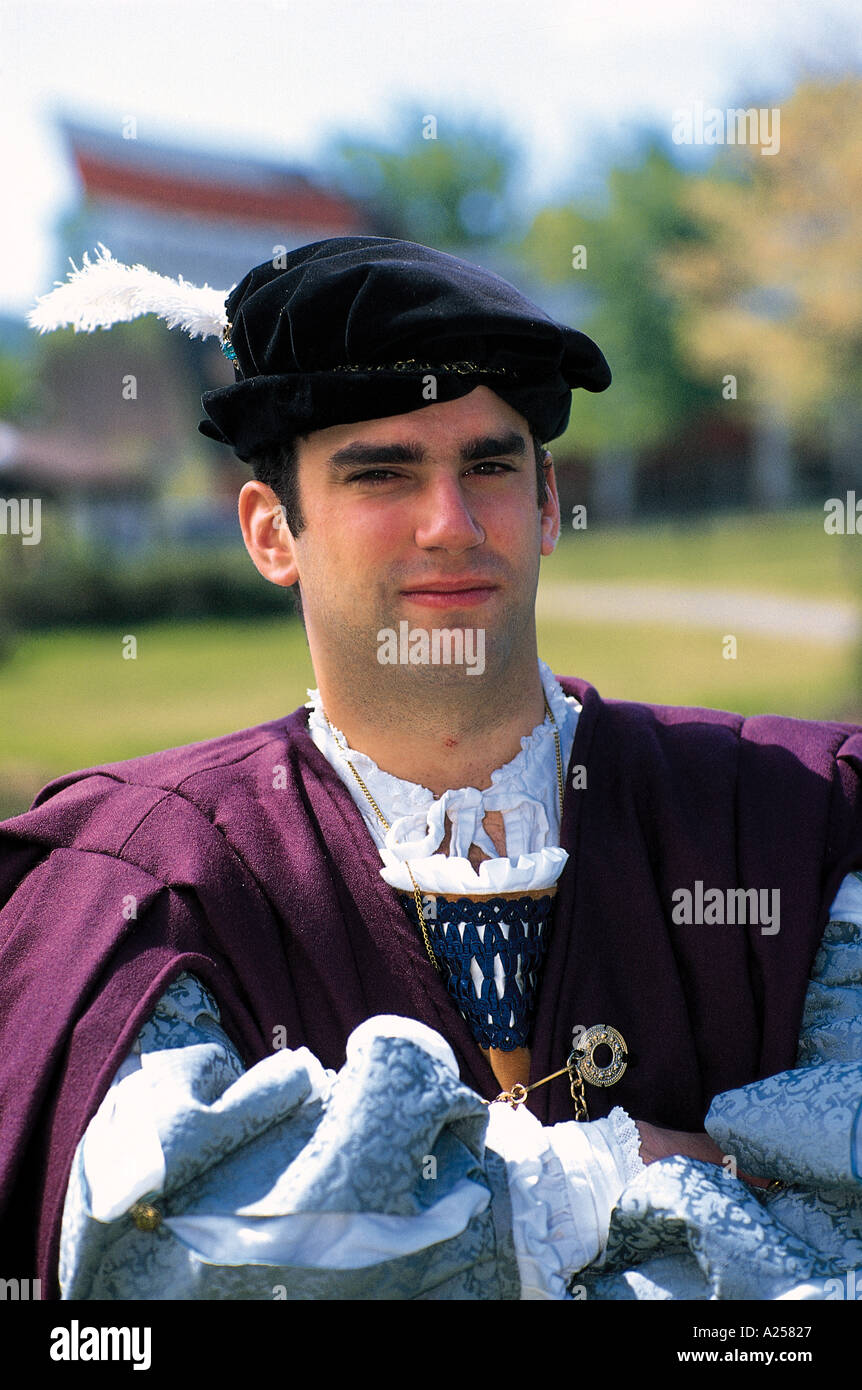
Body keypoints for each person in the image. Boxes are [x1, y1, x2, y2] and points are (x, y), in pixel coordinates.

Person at [2, 237, 861, 1301]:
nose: (452, 523)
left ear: (546, 508)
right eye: (383, 472)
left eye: (490, 467)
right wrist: (605, 1171)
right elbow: (168, 1245)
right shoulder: (149, 877)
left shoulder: (801, 817)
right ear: (273, 532)